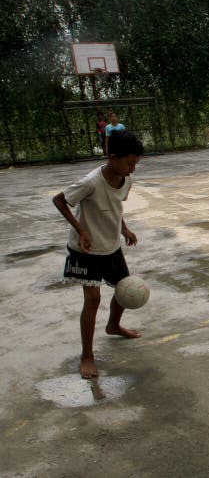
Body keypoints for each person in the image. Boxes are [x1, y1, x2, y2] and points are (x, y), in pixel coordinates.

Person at [52, 130, 144, 379]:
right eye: (129, 163)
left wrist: (124, 229)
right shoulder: (91, 181)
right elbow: (60, 200)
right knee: (92, 299)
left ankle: (113, 325)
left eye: (135, 164)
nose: (132, 169)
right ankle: (87, 356)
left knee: (124, 291)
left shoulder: (126, 180)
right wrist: (81, 230)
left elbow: (115, 206)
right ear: (112, 157)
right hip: (87, 249)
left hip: (111, 246)